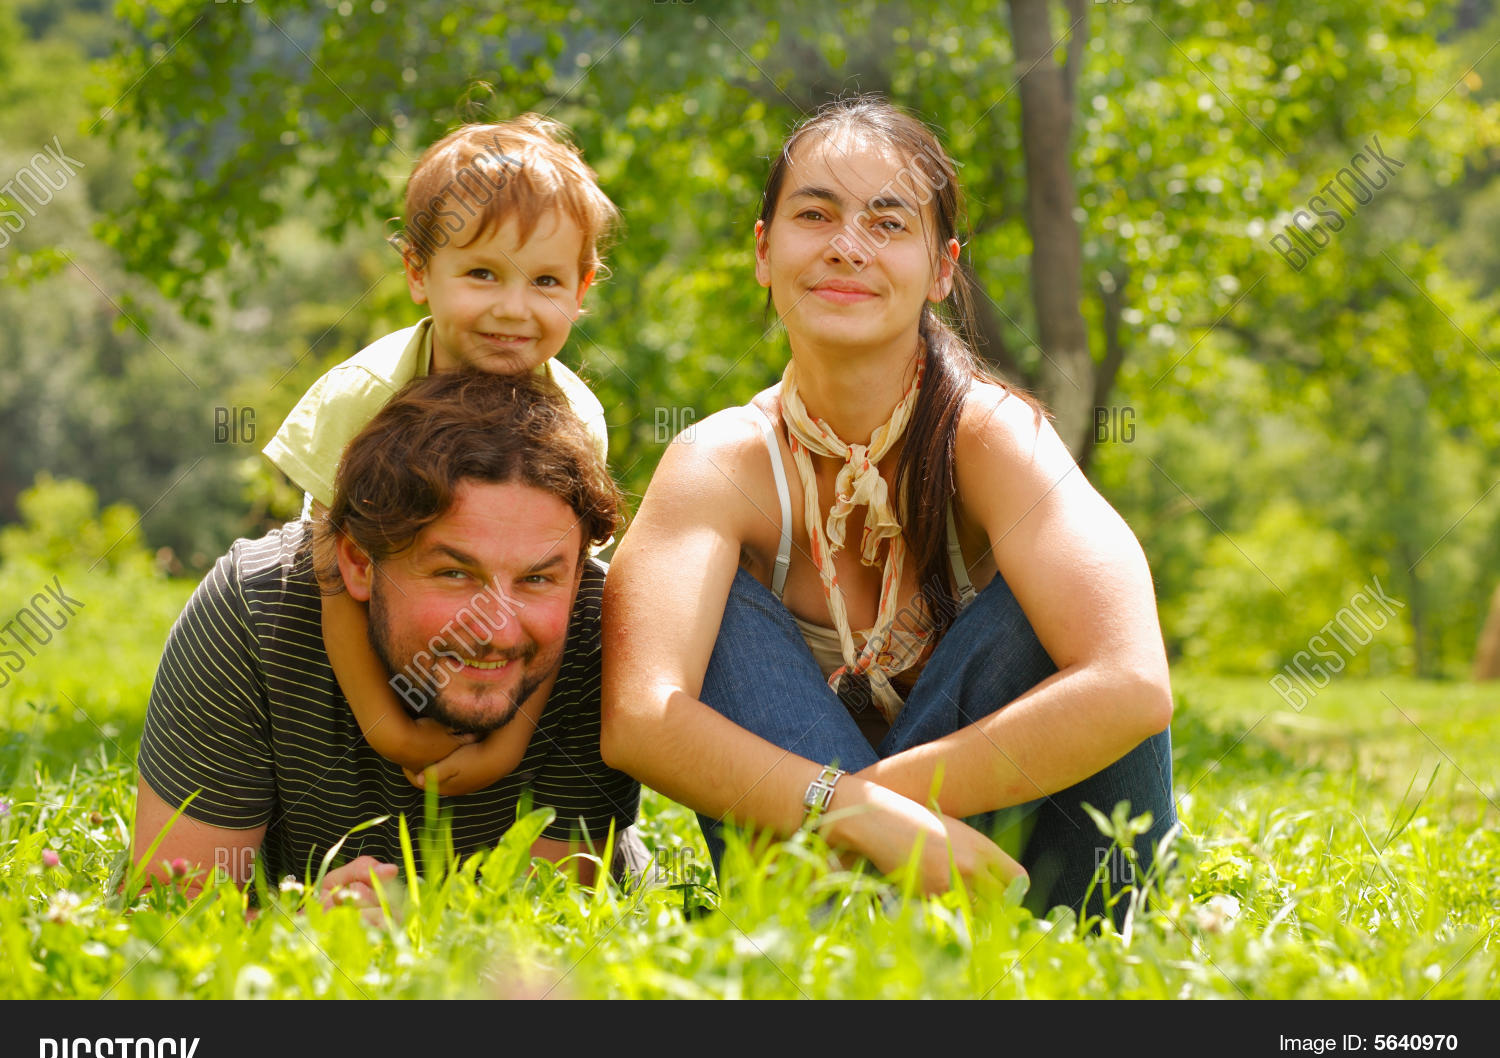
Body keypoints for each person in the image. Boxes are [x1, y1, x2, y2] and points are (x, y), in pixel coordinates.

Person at [601, 97, 1175, 918]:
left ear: (943, 269)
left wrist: (881, 804)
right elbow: (640, 720)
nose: (846, 247)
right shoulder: (718, 462)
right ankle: (860, 926)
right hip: (816, 884)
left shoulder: (994, 437)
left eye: (887, 223)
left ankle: (973, 930)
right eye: (814, 214)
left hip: (1028, 884)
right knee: (716, 600)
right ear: (765, 252)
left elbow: (1131, 683)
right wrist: (854, 815)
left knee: (1058, 616)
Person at [132, 371, 641, 910]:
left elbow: (556, 926)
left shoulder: (600, 626)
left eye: (537, 579)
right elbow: (165, 911)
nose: (498, 631)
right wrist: (301, 928)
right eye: (454, 574)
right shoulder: (254, 610)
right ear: (356, 561)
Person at [262, 114, 617, 796]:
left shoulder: (576, 416)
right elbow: (332, 577)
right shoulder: (363, 397)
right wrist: (383, 724)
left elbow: (562, 596)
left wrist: (508, 744)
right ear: (419, 273)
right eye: (483, 273)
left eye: (545, 282)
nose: (513, 309)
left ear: (582, 289)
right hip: (367, 630)